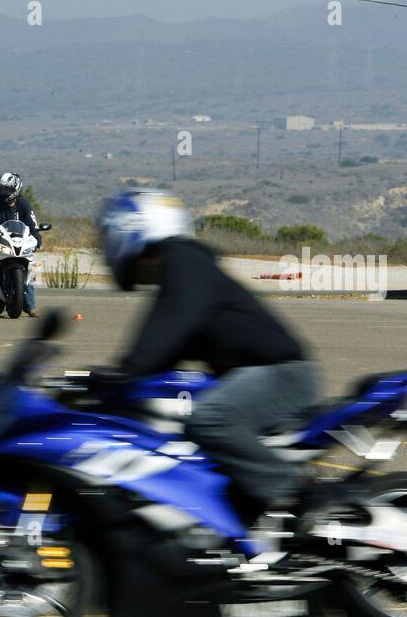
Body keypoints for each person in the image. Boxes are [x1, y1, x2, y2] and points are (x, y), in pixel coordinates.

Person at [99, 188, 318, 545]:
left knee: (210, 420)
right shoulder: (182, 268)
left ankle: (301, 495)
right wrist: (119, 382)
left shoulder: (182, 261)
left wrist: (127, 370)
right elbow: (166, 348)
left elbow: (170, 325)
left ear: (134, 226)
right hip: (256, 375)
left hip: (281, 374)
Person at [0, 172, 43, 317]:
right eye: (1, 189)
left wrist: (37, 238)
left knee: (29, 267)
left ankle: (30, 306)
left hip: (20, 243)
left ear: (16, 189)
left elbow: (32, 223)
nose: (3, 192)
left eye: (7, 189)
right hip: (1, 243)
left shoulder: (23, 204)